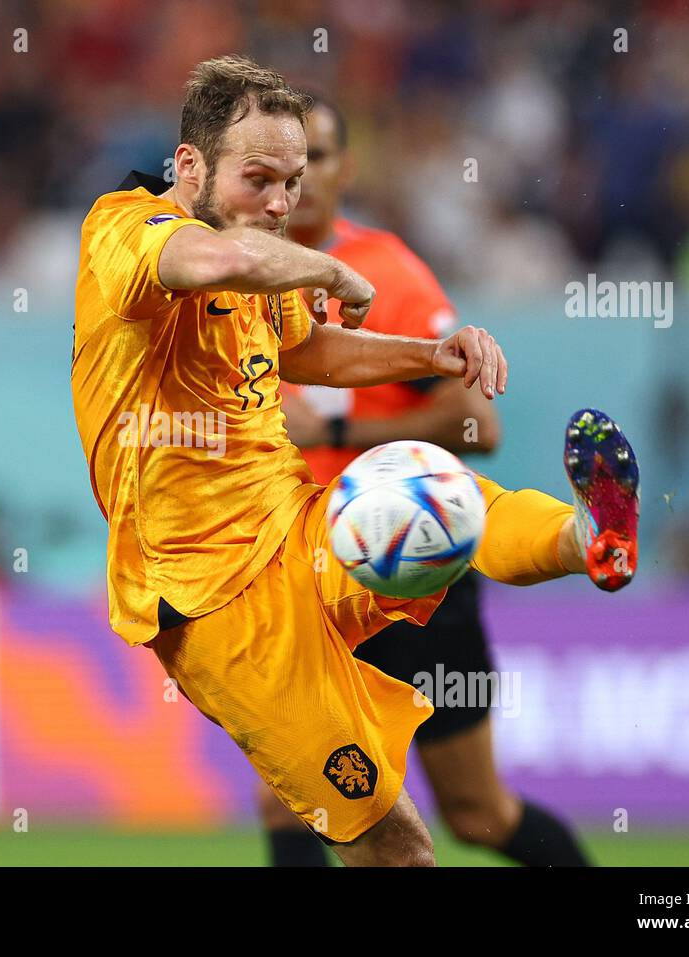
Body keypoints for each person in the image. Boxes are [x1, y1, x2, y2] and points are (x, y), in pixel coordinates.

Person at [70, 55, 638, 866]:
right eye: (258, 178)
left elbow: (312, 351)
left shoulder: (266, 252)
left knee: (428, 488)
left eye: (293, 182)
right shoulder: (124, 227)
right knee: (400, 849)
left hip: (296, 522)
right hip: (216, 603)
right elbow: (209, 264)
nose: (279, 203)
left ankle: (587, 541)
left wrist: (428, 356)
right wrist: (329, 265)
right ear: (189, 165)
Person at [257, 95, 590, 866]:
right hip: (297, 569)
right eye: (281, 165)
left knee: (477, 812)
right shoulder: (230, 274)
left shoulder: (388, 272)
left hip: (408, 562)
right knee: (286, 796)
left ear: (346, 169)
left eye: (318, 160)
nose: (299, 182)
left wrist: (337, 433)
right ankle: (575, 537)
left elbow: (480, 425)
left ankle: (575, 537)